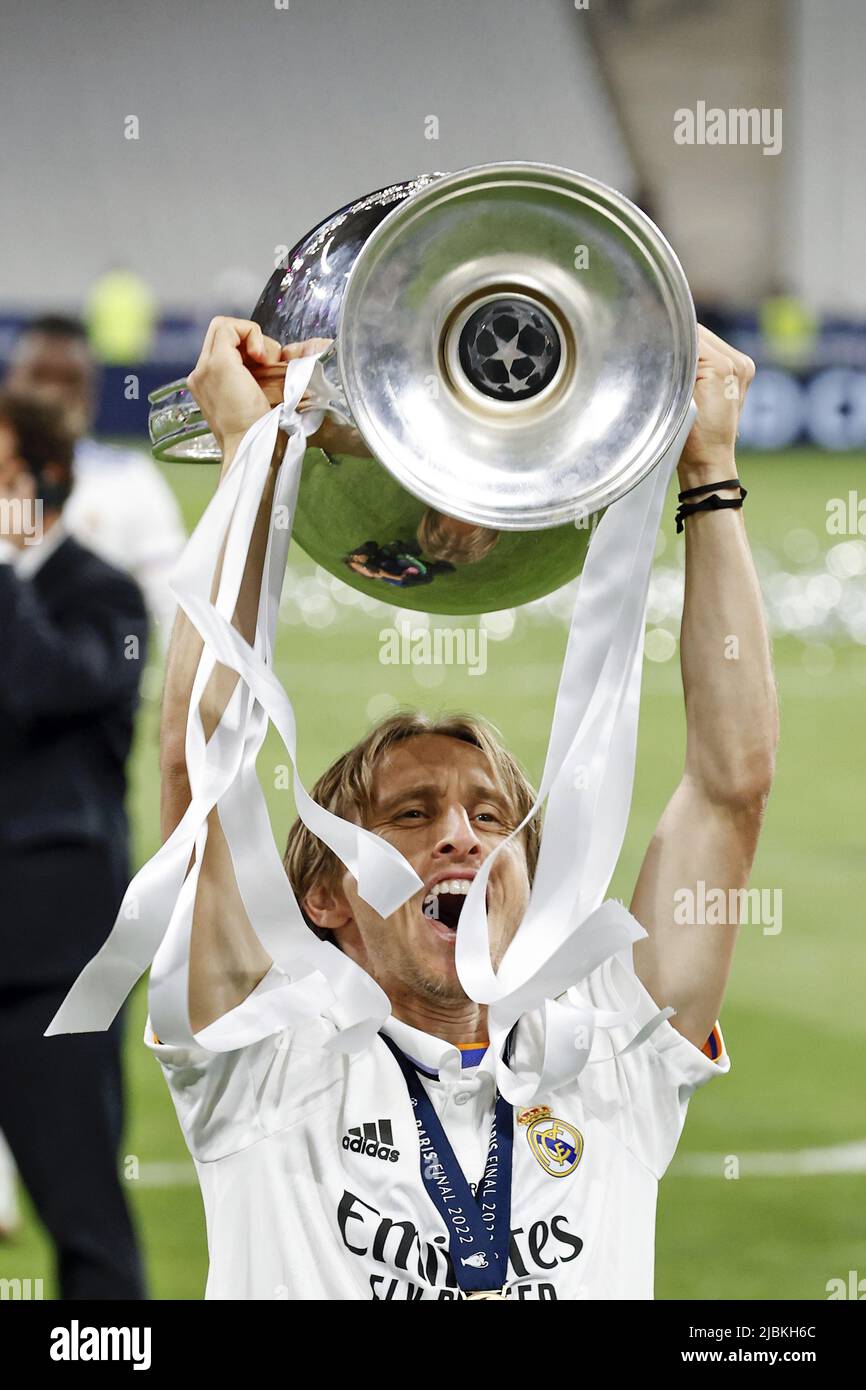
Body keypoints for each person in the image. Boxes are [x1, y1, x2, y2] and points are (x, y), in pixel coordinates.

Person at [143, 317, 778, 1300]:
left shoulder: (606, 1052)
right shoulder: (267, 1048)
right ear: (322, 899)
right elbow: (199, 767)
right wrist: (249, 459)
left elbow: (728, 791)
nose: (457, 837)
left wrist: (706, 466)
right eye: (407, 816)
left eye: (492, 819)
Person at [0, 391, 147, 1298]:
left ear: (44, 479)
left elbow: (43, 686)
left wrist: (4, 570)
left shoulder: (107, 594)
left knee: (83, 1210)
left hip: (51, 958)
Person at [4, 314, 186, 654]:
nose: (53, 394)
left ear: (92, 391)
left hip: (86, 684)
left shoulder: (131, 478)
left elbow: (173, 599)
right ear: (12, 381)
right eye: (40, 376)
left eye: (70, 380)